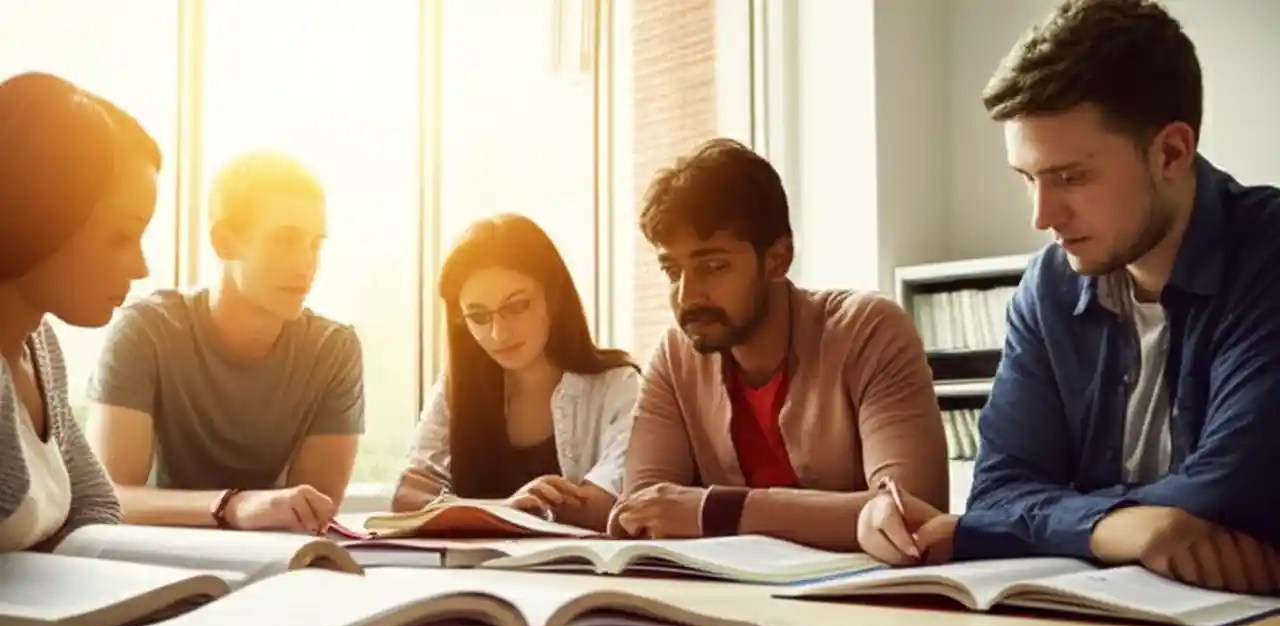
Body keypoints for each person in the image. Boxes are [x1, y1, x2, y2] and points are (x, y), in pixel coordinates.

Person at [859, 0, 1280, 594]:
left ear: (1171, 153)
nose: (1041, 217)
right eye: (1028, 178)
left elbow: (1229, 490)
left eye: (1070, 177)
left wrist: (1051, 520)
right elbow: (997, 490)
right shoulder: (1049, 287)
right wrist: (1126, 531)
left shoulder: (1268, 257)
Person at [612, 138, 948, 550]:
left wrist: (718, 512)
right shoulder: (675, 356)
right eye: (672, 271)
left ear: (778, 259)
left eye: (713, 266)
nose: (686, 296)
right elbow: (641, 514)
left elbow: (910, 512)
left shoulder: (869, 331)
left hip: (864, 604)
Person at [86, 151, 364, 535]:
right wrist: (232, 505)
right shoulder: (147, 331)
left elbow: (312, 509)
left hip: (272, 560)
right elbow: (109, 497)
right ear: (224, 242)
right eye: (285, 240)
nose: (306, 264)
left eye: (315, 244)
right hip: (154, 552)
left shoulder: (333, 349)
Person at [392, 214, 639, 531]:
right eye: (478, 316)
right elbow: (408, 496)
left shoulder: (617, 385)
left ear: (553, 298)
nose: (498, 334)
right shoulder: (457, 389)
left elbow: (602, 506)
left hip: (578, 576)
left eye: (516, 306)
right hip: (474, 574)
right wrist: (502, 509)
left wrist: (469, 514)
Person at [0, 72, 161, 551]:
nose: (141, 266)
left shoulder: (40, 345)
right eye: (120, 236)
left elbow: (95, 508)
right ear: (41, 211)